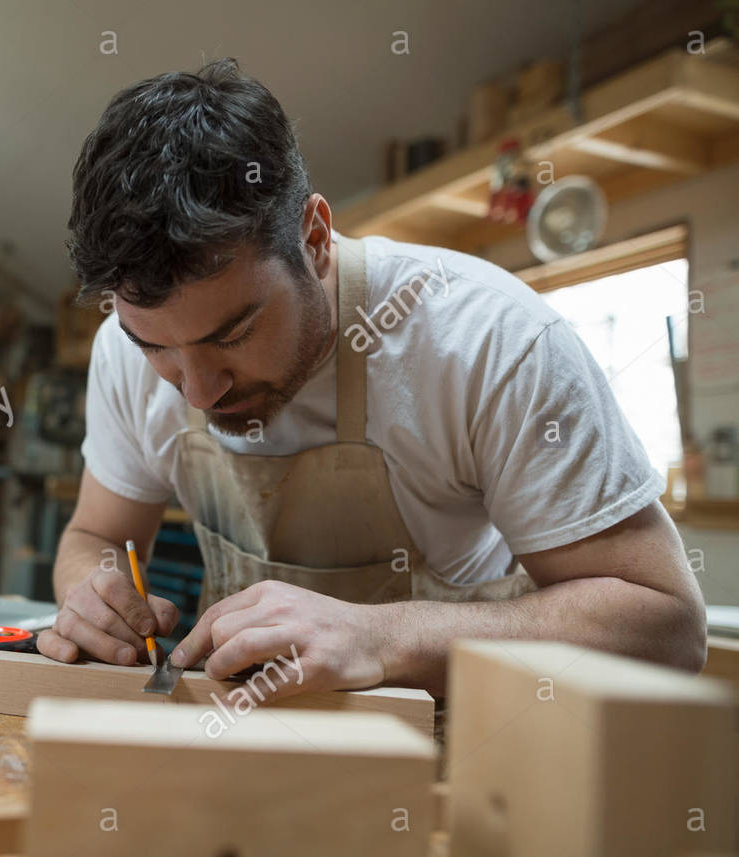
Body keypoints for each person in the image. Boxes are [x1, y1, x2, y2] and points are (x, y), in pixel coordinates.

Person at [36, 59, 706, 698]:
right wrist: (94, 594)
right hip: (242, 731)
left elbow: (667, 627)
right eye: (158, 349)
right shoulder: (123, 352)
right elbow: (95, 538)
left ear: (316, 239)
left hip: (465, 755)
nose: (199, 391)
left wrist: (385, 637)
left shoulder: (490, 341)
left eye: (232, 335)